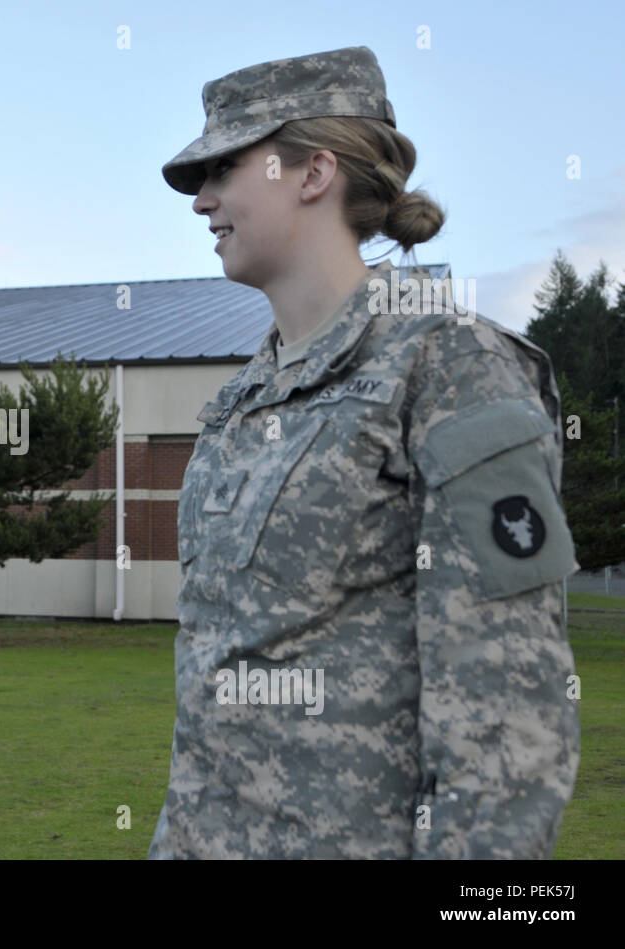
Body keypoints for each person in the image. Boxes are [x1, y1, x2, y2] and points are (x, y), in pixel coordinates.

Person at [147, 47, 580, 859]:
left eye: (224, 168)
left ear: (312, 173)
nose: (202, 200)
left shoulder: (452, 369)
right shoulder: (242, 400)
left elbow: (510, 714)